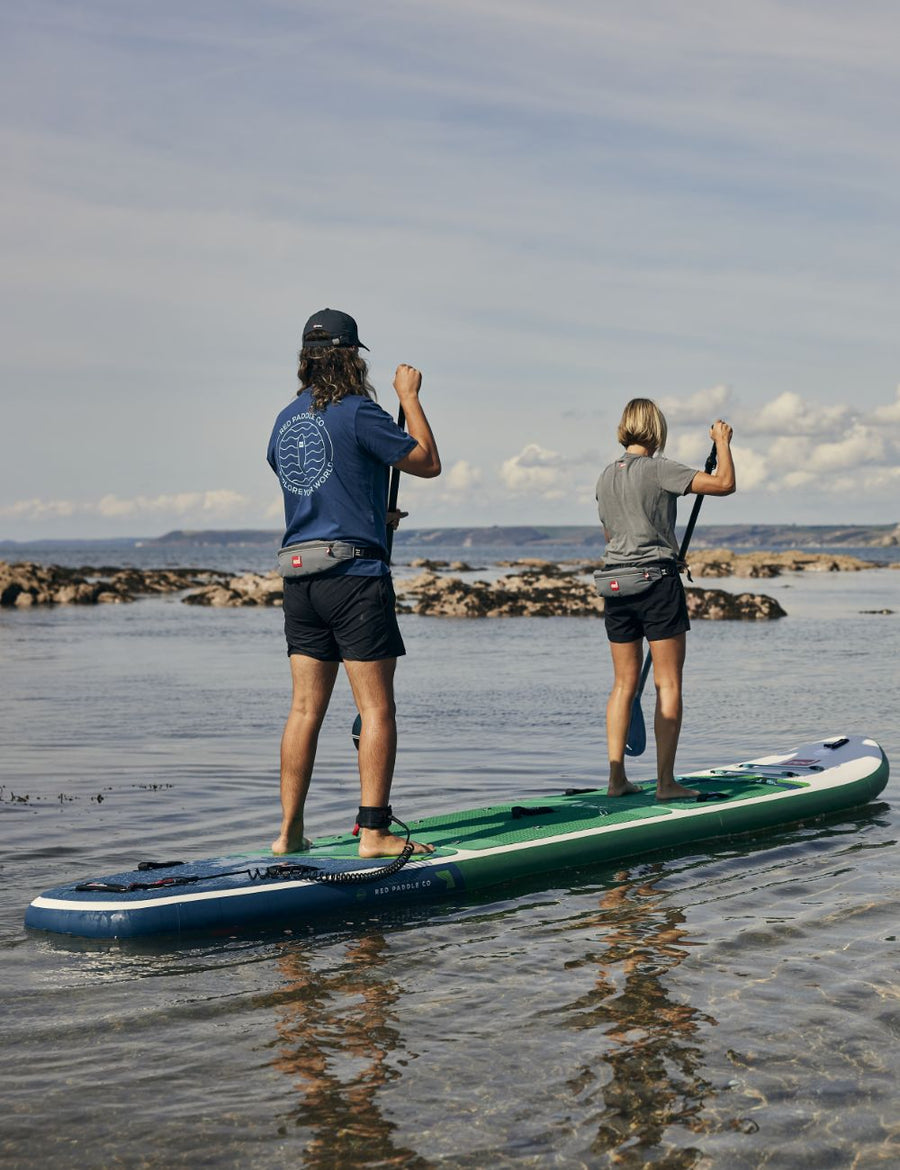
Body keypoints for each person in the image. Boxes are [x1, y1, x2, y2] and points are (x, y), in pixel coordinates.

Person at [267, 308, 441, 857]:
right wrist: (409, 397)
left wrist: (371, 512)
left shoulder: (284, 421)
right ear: (350, 358)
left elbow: (319, 485)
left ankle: (289, 832)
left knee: (303, 711)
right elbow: (427, 462)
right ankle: (374, 832)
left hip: (301, 578)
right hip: (354, 578)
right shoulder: (360, 411)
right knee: (376, 709)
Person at [595, 399, 735, 800]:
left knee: (623, 685)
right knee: (667, 683)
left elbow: (612, 537)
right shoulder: (660, 468)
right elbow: (724, 484)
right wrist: (721, 443)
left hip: (616, 585)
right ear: (656, 430)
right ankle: (666, 783)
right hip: (656, 584)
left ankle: (616, 779)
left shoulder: (605, 476)